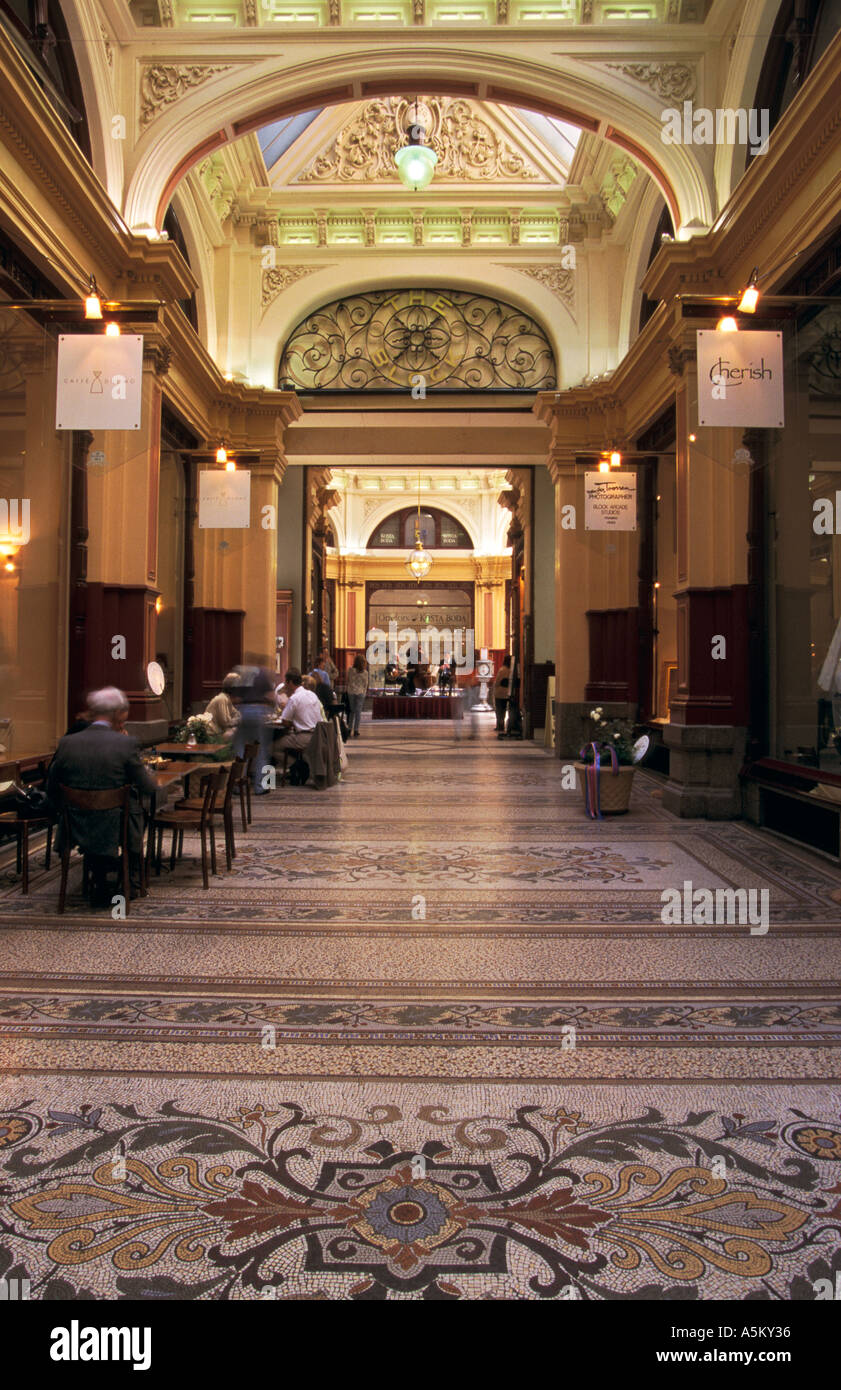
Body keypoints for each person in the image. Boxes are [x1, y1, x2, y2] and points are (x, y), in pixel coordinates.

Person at [47, 686, 158, 904]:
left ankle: (98, 875)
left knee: (103, 814)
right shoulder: (125, 743)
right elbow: (147, 787)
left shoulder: (67, 743)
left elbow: (52, 787)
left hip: (76, 824)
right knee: (135, 809)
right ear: (118, 713)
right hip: (116, 824)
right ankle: (132, 878)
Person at [233, 656, 275, 795]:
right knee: (262, 750)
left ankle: (237, 785)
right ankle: (262, 786)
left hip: (243, 712)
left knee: (239, 749)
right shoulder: (263, 673)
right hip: (259, 711)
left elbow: (235, 698)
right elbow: (271, 696)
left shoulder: (242, 673)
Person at [278, 668, 324, 754]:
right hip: (318, 736)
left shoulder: (294, 698)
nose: (285, 686)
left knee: (273, 747)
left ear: (290, 682)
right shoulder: (312, 694)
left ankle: (296, 765)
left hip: (304, 737)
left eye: (286, 683)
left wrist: (293, 721)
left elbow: (285, 721)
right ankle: (300, 763)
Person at [204, 673, 240, 737]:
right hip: (212, 735)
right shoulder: (222, 699)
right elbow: (225, 722)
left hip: (218, 733)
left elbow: (237, 714)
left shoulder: (227, 699)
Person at [346, 654, 368, 737]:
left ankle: (349, 728)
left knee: (352, 711)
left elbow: (349, 681)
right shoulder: (365, 673)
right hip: (360, 693)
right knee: (358, 712)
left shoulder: (351, 670)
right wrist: (364, 692)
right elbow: (366, 684)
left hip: (351, 692)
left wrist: (352, 689)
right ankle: (356, 730)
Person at [492, 657, 512, 737]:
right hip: (507, 692)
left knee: (499, 710)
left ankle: (499, 725)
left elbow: (497, 682)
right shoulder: (510, 670)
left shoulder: (502, 670)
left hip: (499, 692)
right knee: (504, 710)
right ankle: (502, 724)